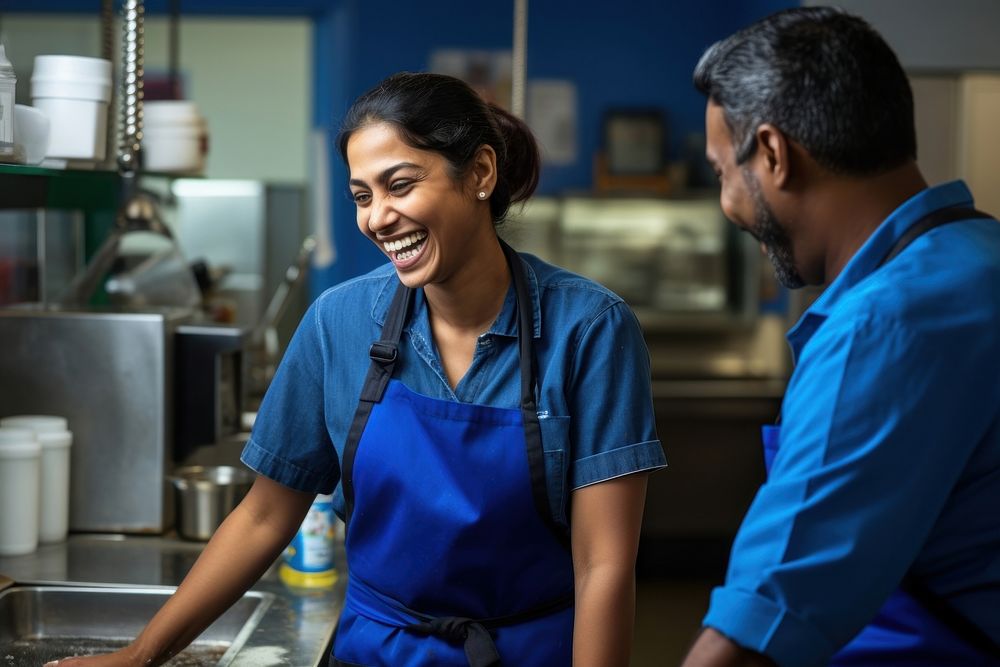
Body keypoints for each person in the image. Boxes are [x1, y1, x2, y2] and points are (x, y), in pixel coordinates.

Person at [47, 72, 665, 667]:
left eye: (399, 185)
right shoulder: (338, 322)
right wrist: (139, 655)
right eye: (362, 196)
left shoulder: (589, 328)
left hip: (532, 652)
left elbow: (603, 564)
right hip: (378, 653)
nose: (377, 218)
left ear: (479, 172)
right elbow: (265, 517)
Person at [680, 6, 1000, 667]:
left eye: (720, 173)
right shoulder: (982, 255)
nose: (726, 205)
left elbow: (759, 628)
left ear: (772, 153)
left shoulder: (884, 324)